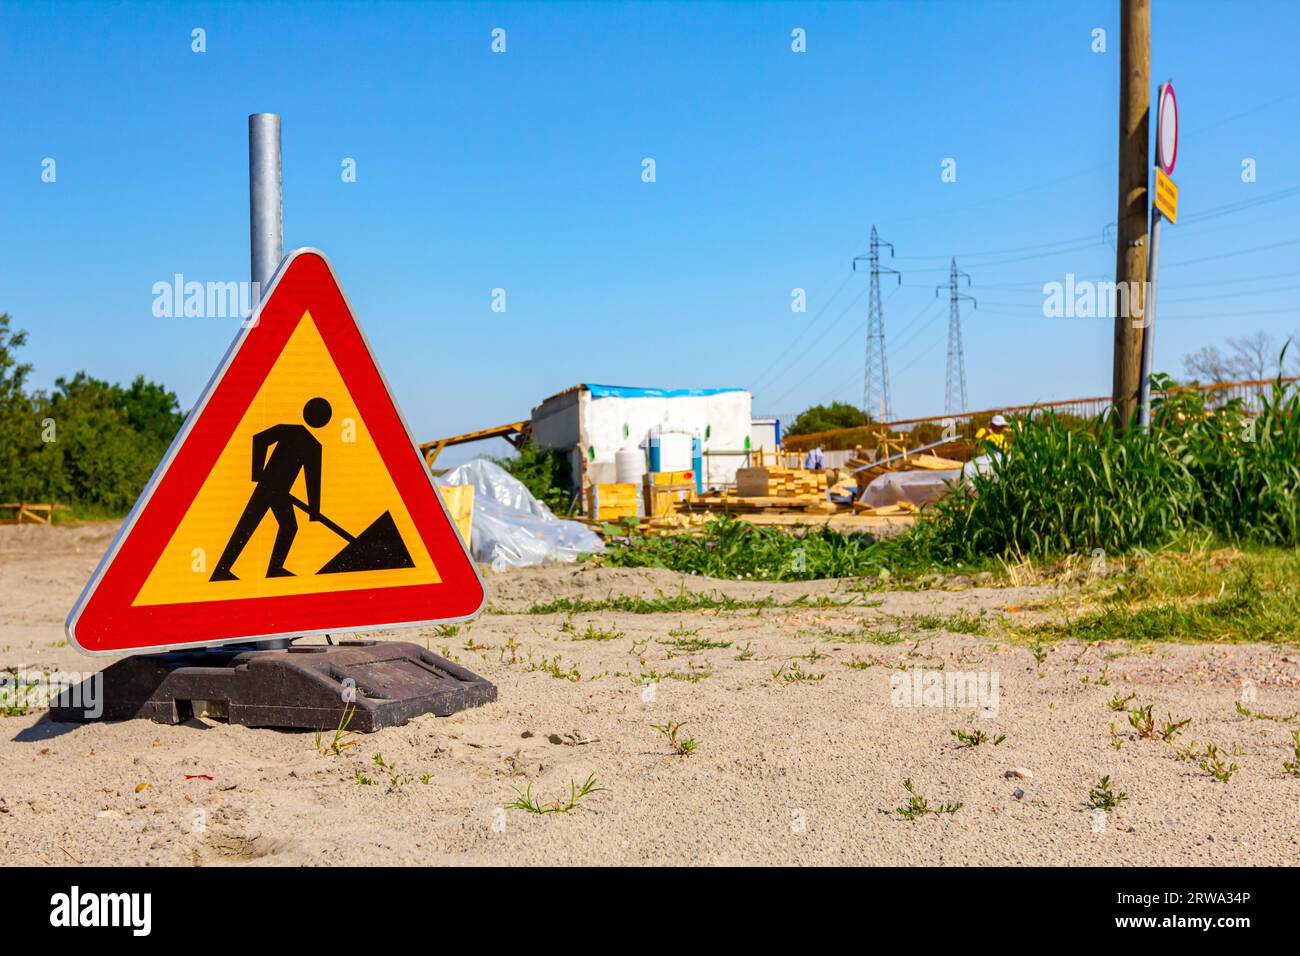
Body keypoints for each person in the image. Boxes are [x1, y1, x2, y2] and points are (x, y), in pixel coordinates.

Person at [210, 397, 332, 581]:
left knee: (280, 526)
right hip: (269, 488)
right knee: (251, 525)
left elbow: (312, 479)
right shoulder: (311, 444)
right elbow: (312, 480)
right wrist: (257, 474)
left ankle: (270, 569)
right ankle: (224, 570)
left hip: (277, 491)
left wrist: (314, 511)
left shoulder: (295, 434)